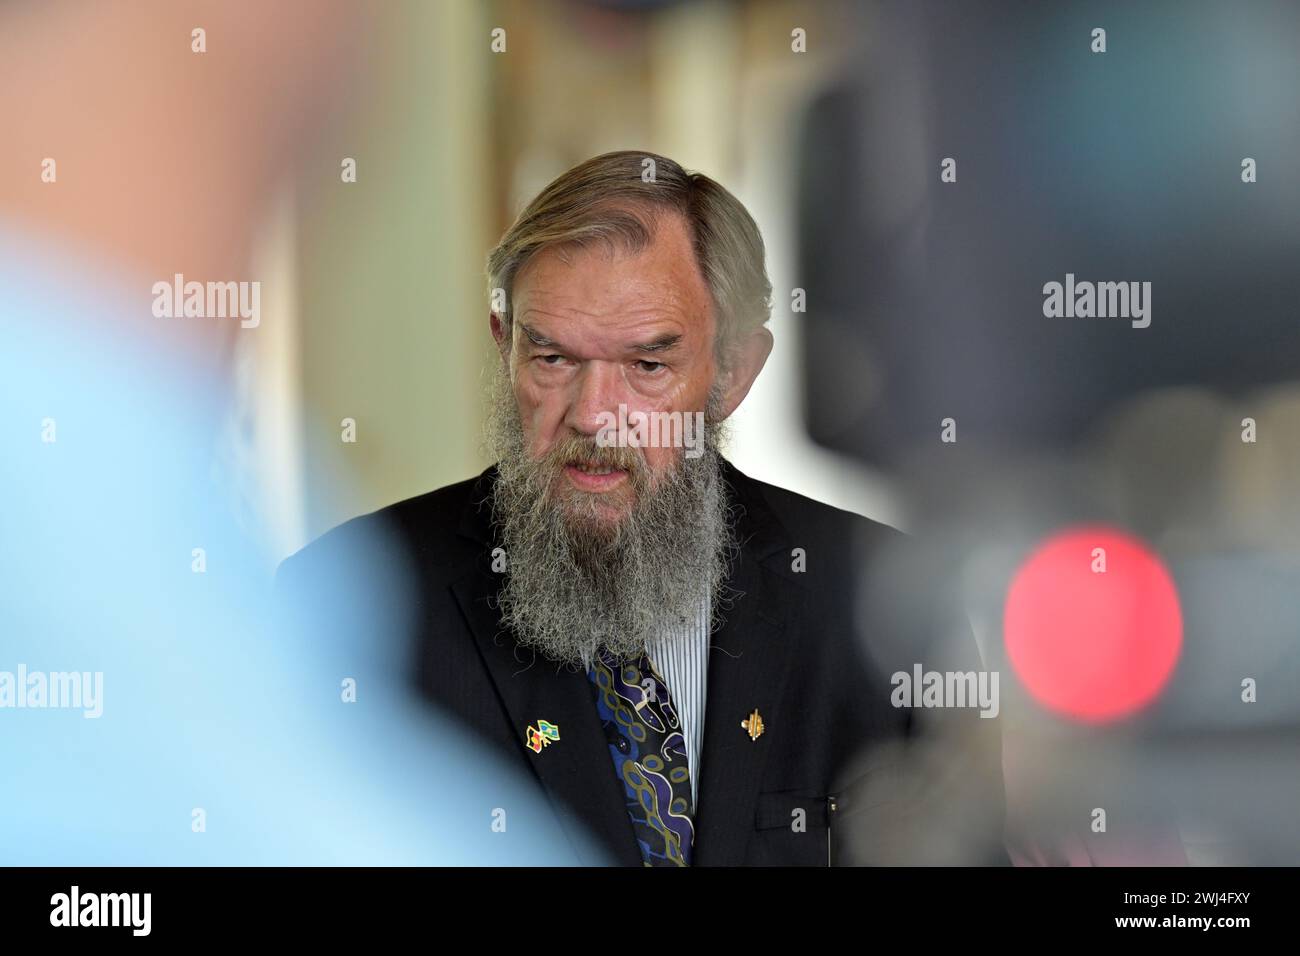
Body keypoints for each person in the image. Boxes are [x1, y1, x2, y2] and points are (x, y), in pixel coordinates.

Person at [278, 150, 1007, 866]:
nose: (594, 416)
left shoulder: (881, 604)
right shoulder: (351, 605)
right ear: (505, 347)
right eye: (554, 358)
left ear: (734, 371)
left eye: (647, 366)